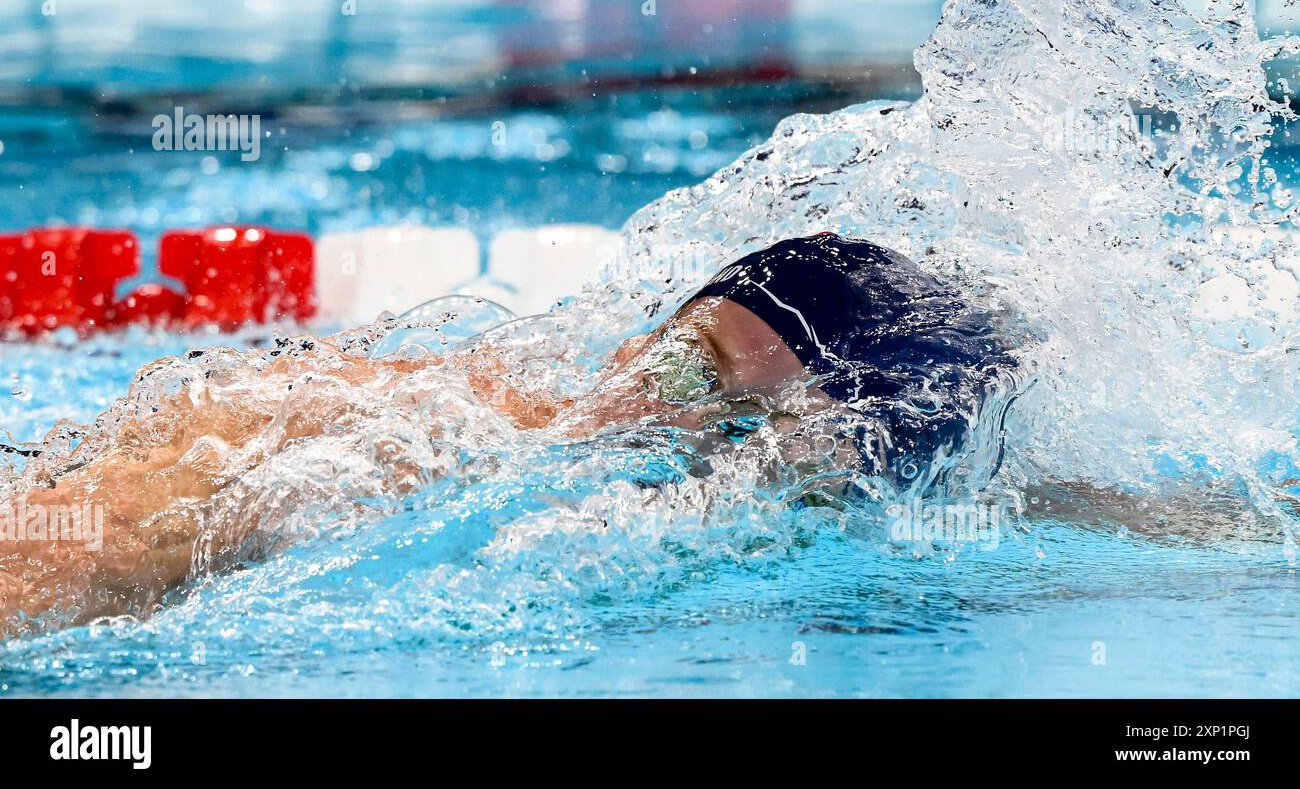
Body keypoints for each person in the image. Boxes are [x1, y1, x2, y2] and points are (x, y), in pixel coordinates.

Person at [0, 233, 1017, 633]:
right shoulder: (405, 448)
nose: (660, 417)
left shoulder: (483, 420)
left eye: (743, 423)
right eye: (685, 367)